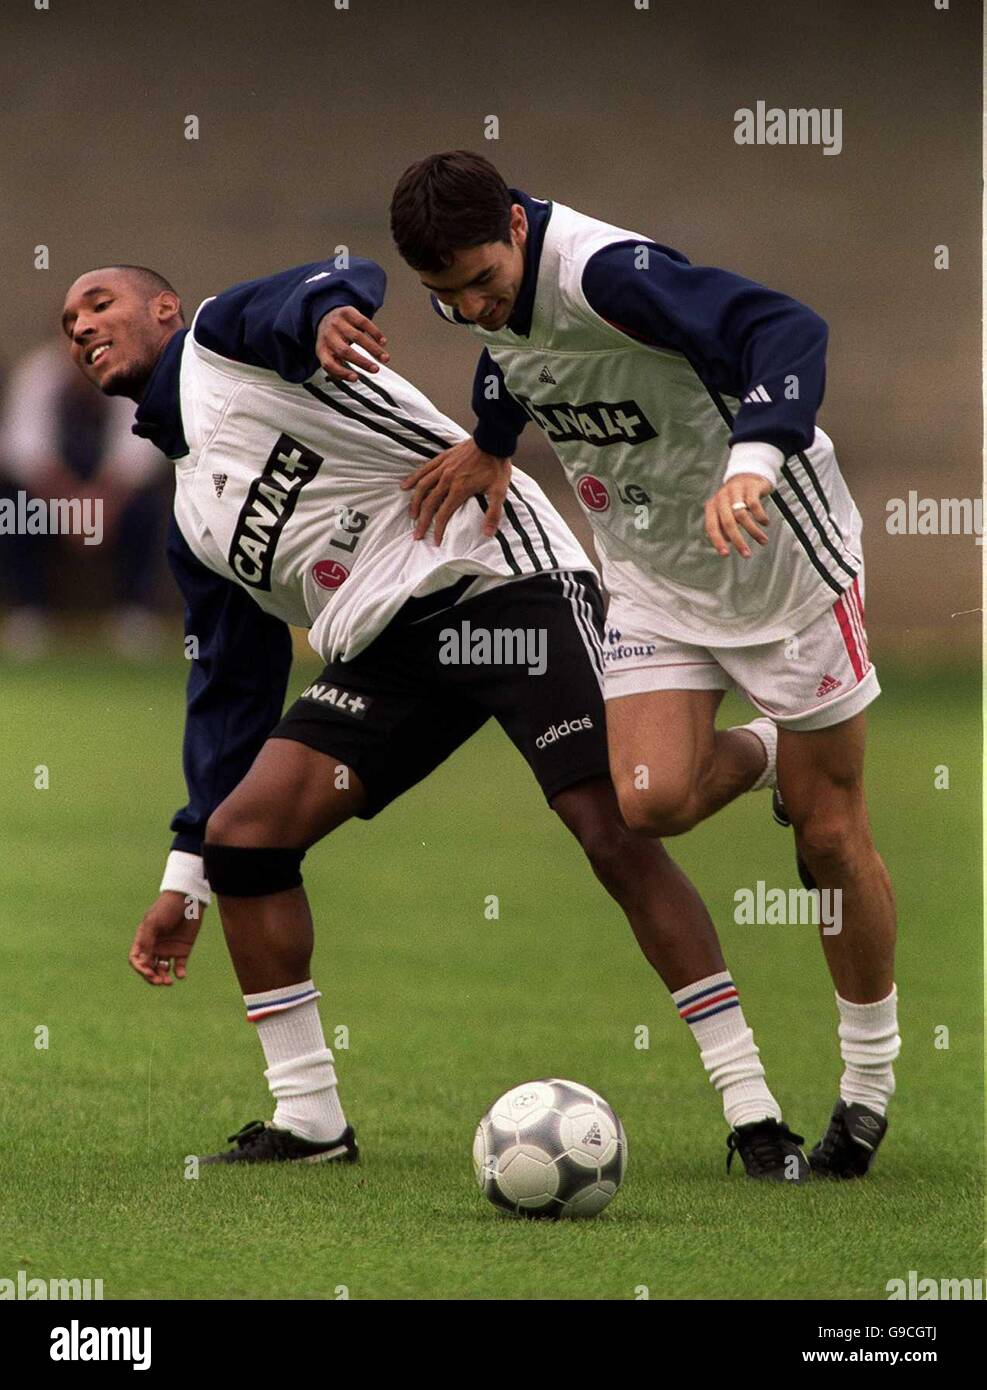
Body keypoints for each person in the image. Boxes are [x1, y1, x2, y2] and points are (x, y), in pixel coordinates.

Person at [62, 259, 804, 1177]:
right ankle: (310, 1122)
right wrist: (188, 876)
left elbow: (328, 281)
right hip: (388, 650)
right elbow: (231, 689)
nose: (81, 325)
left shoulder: (225, 340)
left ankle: (752, 1109)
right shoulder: (192, 519)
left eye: (100, 302)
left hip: (499, 579)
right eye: (68, 321)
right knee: (244, 839)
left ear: (165, 308)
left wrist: (327, 316)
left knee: (612, 823)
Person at [389, 151, 899, 1178]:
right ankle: (767, 753)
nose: (473, 308)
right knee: (651, 801)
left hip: (781, 565)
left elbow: (788, 329)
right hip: (653, 576)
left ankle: (867, 1085)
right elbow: (512, 355)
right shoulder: (478, 295)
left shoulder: (607, 275)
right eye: (449, 294)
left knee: (831, 836)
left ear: (519, 229)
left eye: (484, 281)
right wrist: (492, 440)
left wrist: (752, 461)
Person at [0, 336, 168, 657]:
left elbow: (141, 451)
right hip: (53, 499)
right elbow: (23, 451)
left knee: (147, 505)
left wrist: (102, 503)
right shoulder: (36, 375)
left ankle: (134, 610)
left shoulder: (131, 374)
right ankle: (28, 609)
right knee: (12, 507)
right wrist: (69, 505)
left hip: (111, 500)